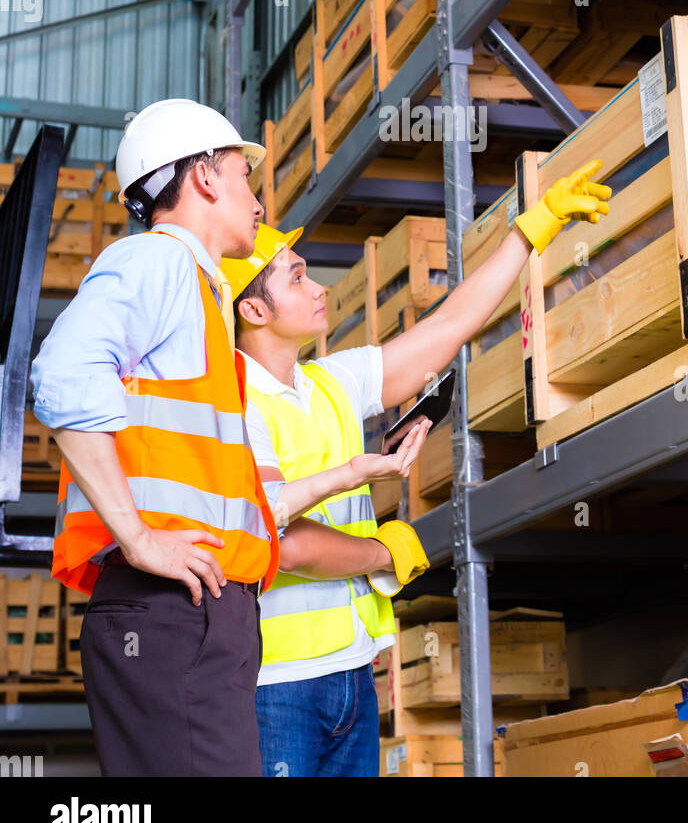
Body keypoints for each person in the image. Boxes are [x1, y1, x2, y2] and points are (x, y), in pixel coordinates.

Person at [31, 98, 425, 778]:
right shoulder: (159, 264)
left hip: (198, 614)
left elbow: (224, 500)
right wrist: (139, 536)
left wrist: (351, 471)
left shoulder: (202, 306)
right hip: (170, 609)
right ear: (207, 179)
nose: (259, 203)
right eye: (245, 177)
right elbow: (61, 374)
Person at [222, 158, 611, 777]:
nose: (318, 286)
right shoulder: (233, 403)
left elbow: (450, 326)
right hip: (278, 683)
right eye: (296, 279)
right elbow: (283, 541)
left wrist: (528, 230)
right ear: (255, 312)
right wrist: (383, 554)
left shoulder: (331, 383)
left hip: (352, 670)